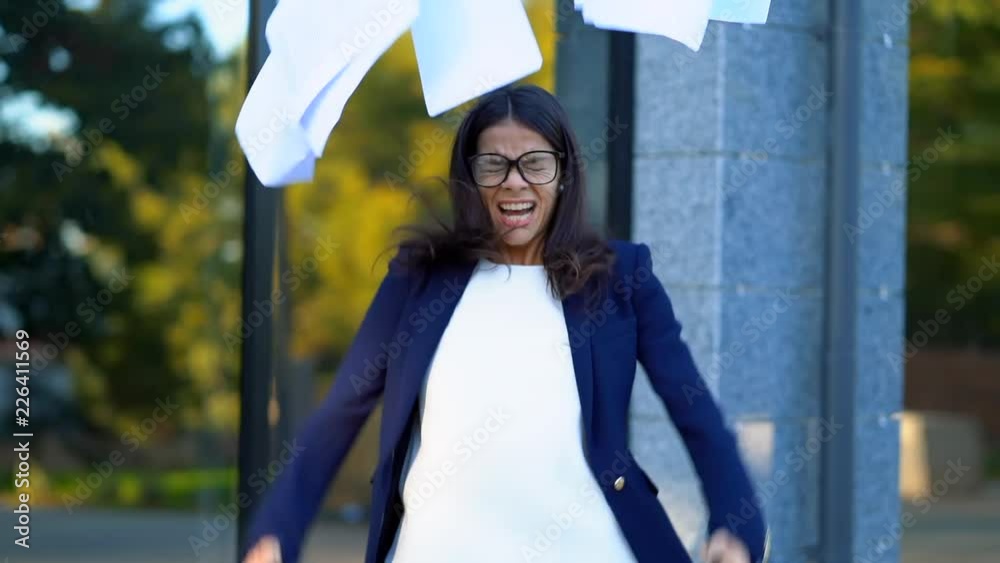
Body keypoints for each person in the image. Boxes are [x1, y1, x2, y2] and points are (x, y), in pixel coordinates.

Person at [241, 84, 768, 563]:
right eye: (494, 165)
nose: (514, 183)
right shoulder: (418, 279)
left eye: (535, 163)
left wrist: (737, 524)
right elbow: (340, 413)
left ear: (563, 173)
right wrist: (279, 530)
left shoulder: (621, 278)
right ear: (470, 176)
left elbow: (694, 408)